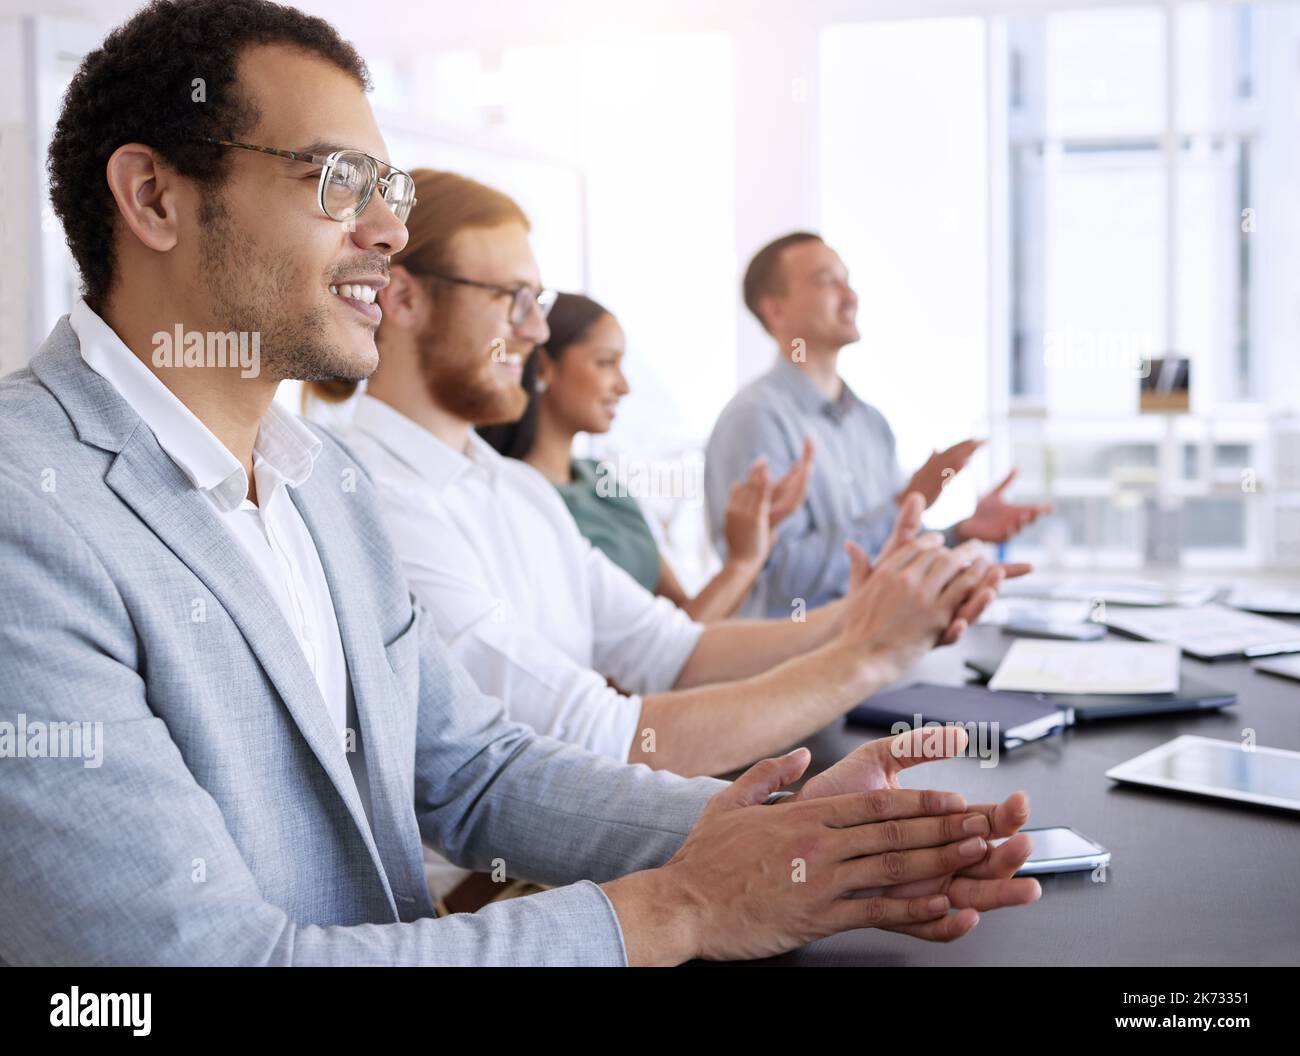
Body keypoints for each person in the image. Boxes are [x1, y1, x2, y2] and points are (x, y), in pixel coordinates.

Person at [0, 0, 1039, 967]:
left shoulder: (324, 480)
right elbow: (197, 965)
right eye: (335, 181)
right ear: (153, 197)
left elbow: (471, 769)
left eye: (389, 192)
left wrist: (763, 832)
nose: (386, 232)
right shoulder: (26, 508)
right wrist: (682, 905)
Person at [308, 168, 1022, 908]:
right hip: (486, 899)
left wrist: (879, 610)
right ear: (405, 297)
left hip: (574, 858)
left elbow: (674, 649)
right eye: (512, 299)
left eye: (539, 303)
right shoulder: (375, 502)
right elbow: (600, 736)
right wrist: (869, 653)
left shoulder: (513, 490)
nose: (537, 329)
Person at [705, 231, 1052, 617]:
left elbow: (884, 552)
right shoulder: (754, 420)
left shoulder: (871, 423)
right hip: (794, 659)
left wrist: (961, 533)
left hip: (873, 646)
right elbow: (779, 579)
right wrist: (903, 504)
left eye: (848, 280)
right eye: (827, 282)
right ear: (776, 311)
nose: (851, 296)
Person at [477, 291, 816, 621]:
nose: (624, 386)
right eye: (606, 363)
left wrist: (755, 543)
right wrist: (742, 562)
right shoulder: (514, 497)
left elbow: (688, 622)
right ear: (541, 370)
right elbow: (656, 659)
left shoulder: (600, 479)